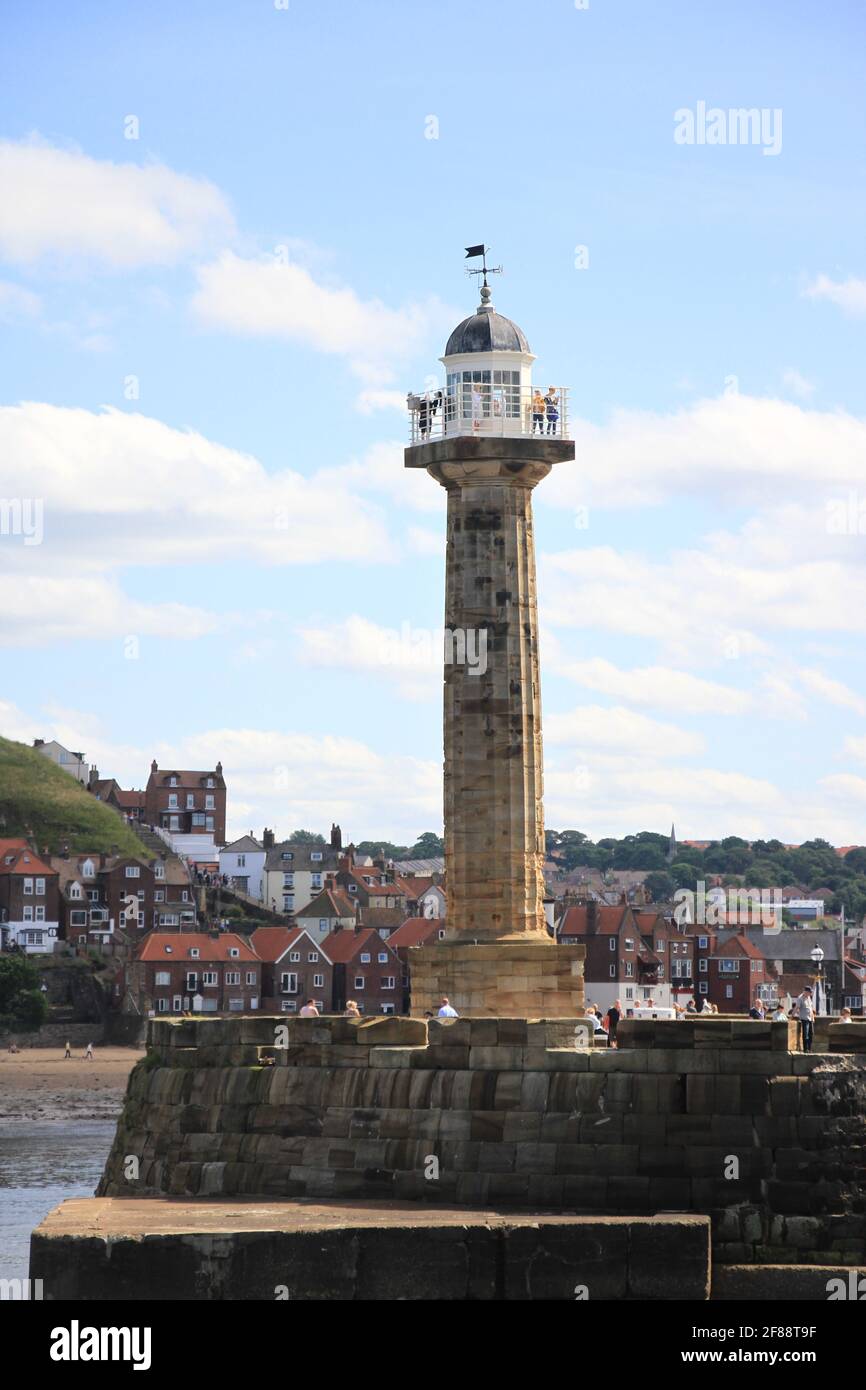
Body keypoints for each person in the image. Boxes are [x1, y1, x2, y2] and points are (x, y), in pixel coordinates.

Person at [795, 988, 814, 1052]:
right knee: (805, 1034)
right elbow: (797, 1007)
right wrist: (792, 1016)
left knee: (811, 1033)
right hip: (804, 1018)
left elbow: (810, 1008)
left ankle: (810, 1048)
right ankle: (806, 1049)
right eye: (810, 992)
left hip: (810, 1018)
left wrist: (813, 1017)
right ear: (806, 992)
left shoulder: (808, 997)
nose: (810, 994)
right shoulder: (800, 998)